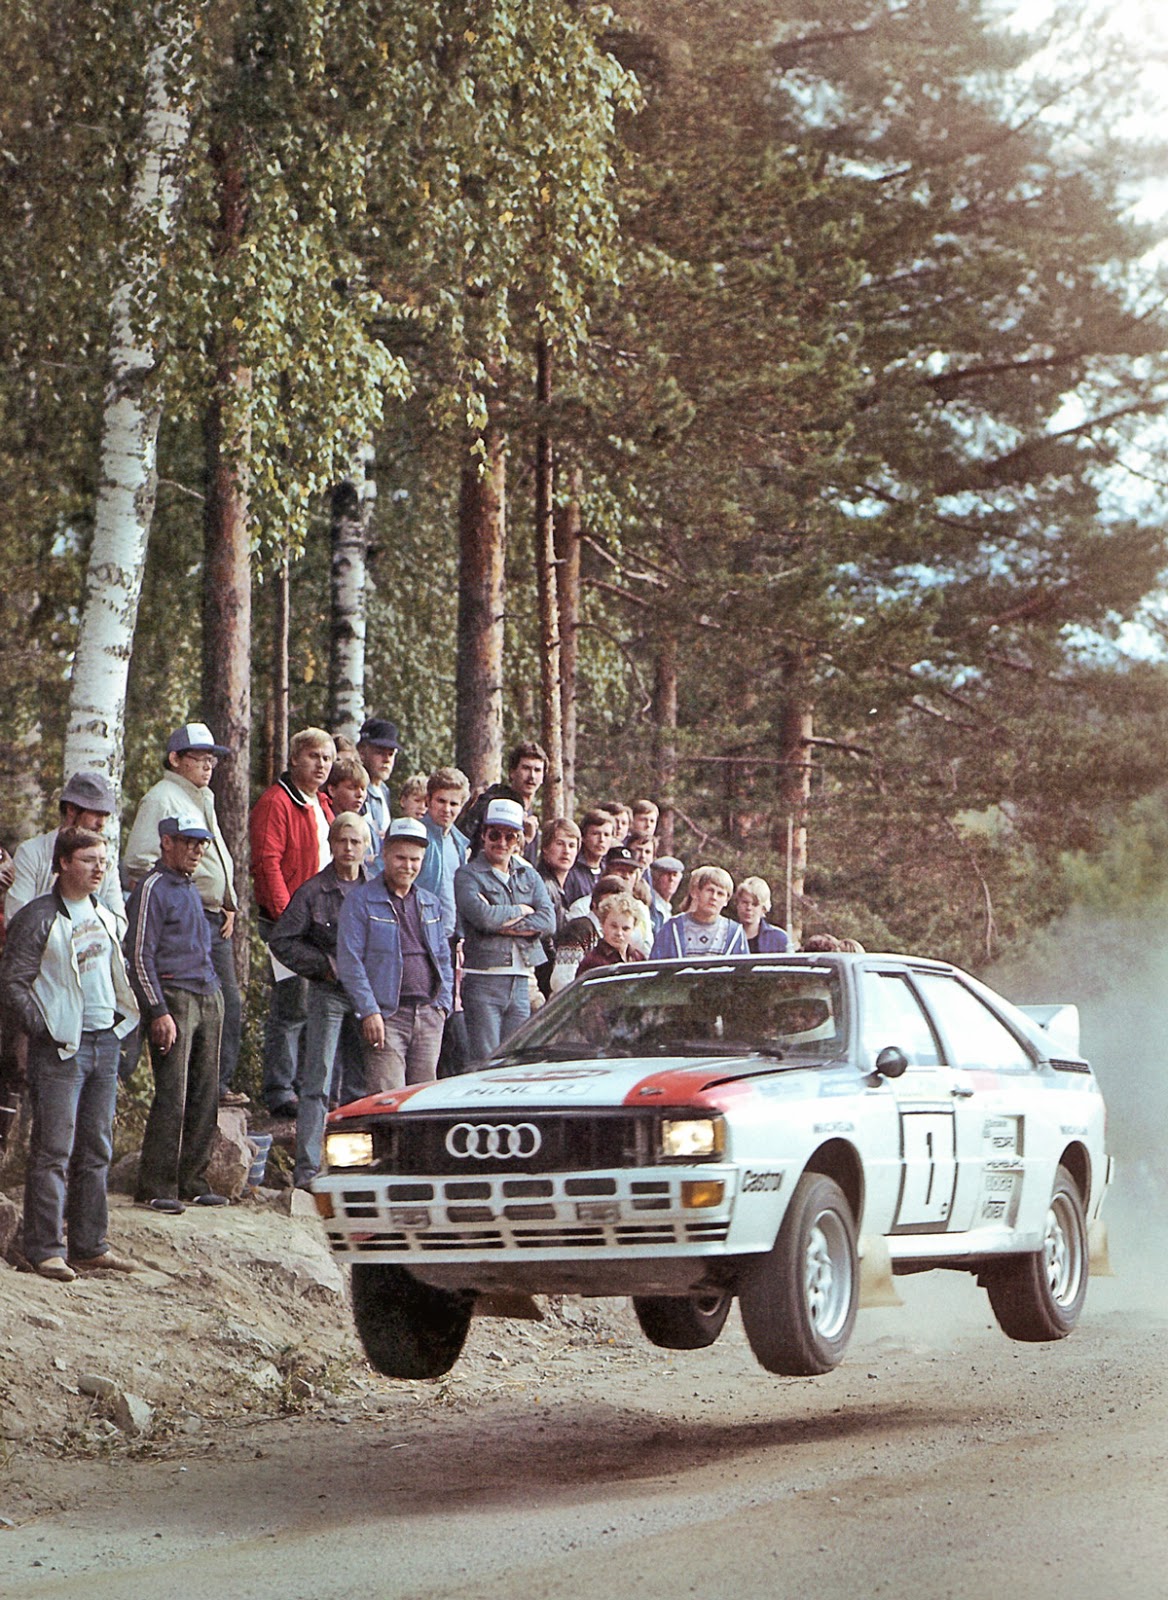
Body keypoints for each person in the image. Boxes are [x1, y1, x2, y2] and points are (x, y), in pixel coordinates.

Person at [0, 827, 140, 1279]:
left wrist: (122, 1028)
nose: (99, 868)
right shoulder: (39, 916)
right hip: (62, 1046)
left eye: (102, 860)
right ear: (63, 863)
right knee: (53, 1148)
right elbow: (13, 981)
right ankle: (44, 1248)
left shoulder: (102, 913)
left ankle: (89, 1243)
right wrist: (43, 1028)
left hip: (104, 1039)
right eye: (88, 860)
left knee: (97, 1147)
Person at [123, 723, 245, 1105]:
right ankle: (185, 1093)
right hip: (181, 919)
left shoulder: (200, 797)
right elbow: (137, 860)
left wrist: (229, 900)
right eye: (199, 758)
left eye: (212, 759)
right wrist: (179, 893)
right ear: (175, 759)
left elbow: (217, 857)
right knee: (175, 1008)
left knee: (223, 1004)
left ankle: (214, 1088)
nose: (208, 766)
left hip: (212, 915)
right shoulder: (162, 798)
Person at [124, 815, 227, 1213]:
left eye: (201, 844)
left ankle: (192, 1178)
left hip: (206, 992)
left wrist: (215, 990)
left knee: (205, 1091)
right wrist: (158, 1010)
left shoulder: (188, 887)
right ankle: (155, 1184)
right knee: (173, 1093)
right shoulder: (152, 887)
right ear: (166, 842)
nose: (197, 850)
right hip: (175, 997)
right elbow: (138, 955)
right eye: (188, 843)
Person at [270, 812, 371, 1188]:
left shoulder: (375, 890)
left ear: (365, 848)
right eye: (342, 841)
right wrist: (325, 966)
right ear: (330, 845)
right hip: (328, 994)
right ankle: (308, 1170)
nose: (348, 848)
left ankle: (353, 1168)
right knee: (317, 1082)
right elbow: (281, 941)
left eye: (355, 842)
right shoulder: (312, 892)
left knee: (360, 1085)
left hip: (367, 997)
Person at [249, 727, 336, 1118]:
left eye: (328, 759)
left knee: (316, 1006)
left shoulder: (322, 804)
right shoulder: (276, 802)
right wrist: (288, 921)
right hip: (288, 926)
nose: (321, 765)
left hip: (321, 926)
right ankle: (280, 1089)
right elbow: (267, 864)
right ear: (295, 758)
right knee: (290, 1007)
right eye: (315, 756)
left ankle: (308, 1084)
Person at [336, 817, 453, 1092]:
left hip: (428, 1014)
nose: (408, 866)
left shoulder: (429, 902)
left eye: (415, 859)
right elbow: (350, 962)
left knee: (424, 1102)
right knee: (387, 1099)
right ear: (385, 854)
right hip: (388, 1016)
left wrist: (442, 1005)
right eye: (401, 858)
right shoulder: (360, 900)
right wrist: (369, 1011)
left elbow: (443, 958)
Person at [454, 798, 556, 1062]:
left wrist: (501, 924)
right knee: (485, 1060)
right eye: (494, 835)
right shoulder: (467, 875)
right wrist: (522, 910)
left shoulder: (528, 874)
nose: (501, 843)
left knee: (514, 1060)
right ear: (484, 835)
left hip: (522, 978)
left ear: (519, 840)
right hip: (483, 978)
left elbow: (548, 921)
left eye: (510, 836)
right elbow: (483, 918)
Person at [6, 771, 125, 933]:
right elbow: (16, 918)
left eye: (105, 815)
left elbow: (119, 923)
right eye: (96, 813)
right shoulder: (32, 853)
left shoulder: (105, 862)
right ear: (71, 810)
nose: (101, 823)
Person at [457, 742, 548, 866]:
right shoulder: (491, 803)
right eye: (526, 768)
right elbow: (461, 839)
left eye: (537, 770)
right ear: (512, 772)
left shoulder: (532, 819)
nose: (532, 776)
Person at [566, 847, 653, 955]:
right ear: (607, 871)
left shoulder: (641, 908)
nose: (626, 876)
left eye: (631, 872)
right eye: (620, 870)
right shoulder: (582, 906)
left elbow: (647, 950)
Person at [650, 865, 749, 959]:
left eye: (720, 894)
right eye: (710, 890)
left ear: (726, 901)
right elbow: (656, 967)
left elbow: (743, 973)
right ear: (696, 893)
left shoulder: (735, 933)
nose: (714, 897)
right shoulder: (672, 928)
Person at [355, 718, 402, 855]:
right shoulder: (355, 791)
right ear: (362, 752)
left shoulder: (384, 790)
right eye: (380, 752)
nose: (386, 760)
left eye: (391, 754)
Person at [577, 891, 647, 973]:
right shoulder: (592, 963)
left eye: (625, 928)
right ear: (602, 924)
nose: (619, 933)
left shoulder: (639, 958)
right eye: (614, 926)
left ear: (633, 928)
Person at [560, 808, 615, 907]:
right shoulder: (571, 869)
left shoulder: (608, 870)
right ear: (584, 837)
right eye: (596, 834)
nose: (601, 839)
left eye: (606, 835)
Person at [733, 876, 792, 953]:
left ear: (763, 908)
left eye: (755, 904)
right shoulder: (727, 936)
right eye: (745, 902)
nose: (749, 908)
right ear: (737, 904)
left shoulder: (779, 938)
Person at [647, 855, 684, 938]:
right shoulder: (650, 904)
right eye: (666, 874)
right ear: (655, 877)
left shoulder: (667, 907)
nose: (671, 879)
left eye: (675, 875)